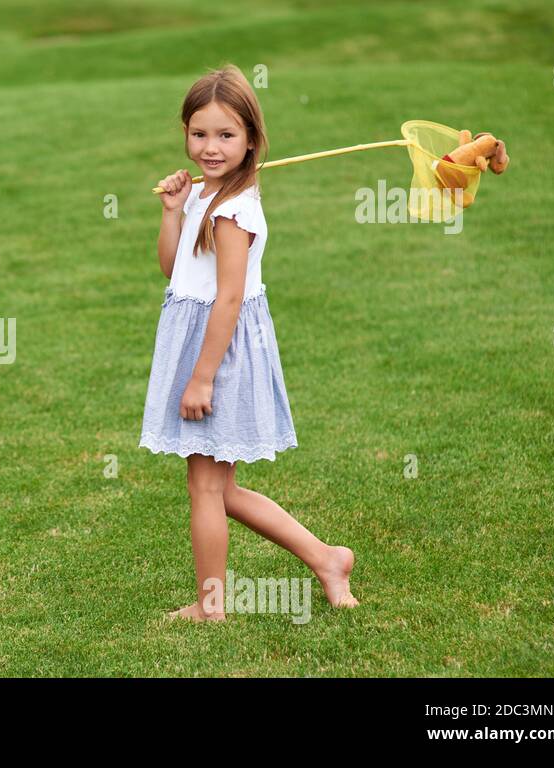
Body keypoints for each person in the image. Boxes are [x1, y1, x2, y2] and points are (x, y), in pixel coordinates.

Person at [139, 64, 358, 622]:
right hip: (202, 341)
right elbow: (175, 269)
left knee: (206, 487)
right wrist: (172, 213)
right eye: (199, 133)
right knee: (218, 486)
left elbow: (229, 299)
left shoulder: (234, 210)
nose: (210, 147)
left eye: (226, 135)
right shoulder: (202, 196)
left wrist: (203, 376)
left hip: (220, 350)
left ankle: (212, 606)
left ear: (252, 140)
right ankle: (327, 558)